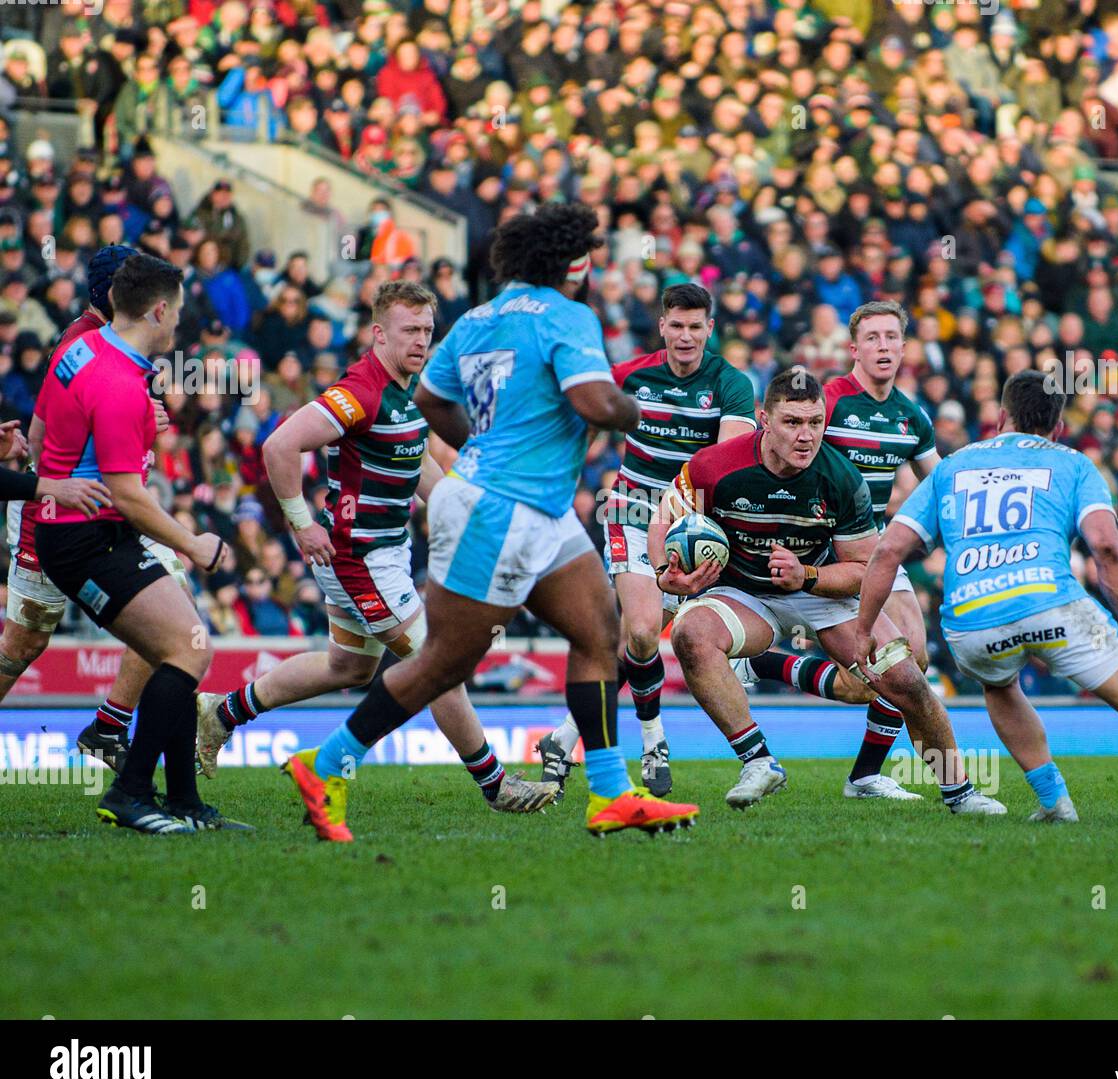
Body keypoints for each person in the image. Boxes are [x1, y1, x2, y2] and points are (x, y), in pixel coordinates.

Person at [282, 204, 700, 840]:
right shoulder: (567, 314)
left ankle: (611, 792)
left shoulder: (477, 319)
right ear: (574, 265)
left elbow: (428, 399)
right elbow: (594, 399)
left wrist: (487, 440)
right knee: (445, 662)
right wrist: (638, 414)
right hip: (501, 508)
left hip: (532, 507)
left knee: (598, 629)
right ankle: (328, 763)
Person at [194, 281, 555, 815]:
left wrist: (463, 511)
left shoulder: (408, 388)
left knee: (350, 668)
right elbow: (279, 444)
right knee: (439, 662)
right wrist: (299, 523)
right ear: (377, 333)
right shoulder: (359, 391)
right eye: (410, 330)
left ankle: (221, 714)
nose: (421, 341)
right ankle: (495, 784)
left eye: (428, 331)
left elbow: (417, 464)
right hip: (359, 556)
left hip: (382, 551)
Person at [851, 370, 1118, 827]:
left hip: (972, 620)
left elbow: (888, 550)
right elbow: (1107, 546)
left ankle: (1054, 802)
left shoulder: (953, 465)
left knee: (999, 685)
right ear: (1059, 426)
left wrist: (864, 629)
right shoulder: (1072, 463)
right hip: (1050, 603)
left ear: (1001, 417)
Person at [651, 369, 1004, 814]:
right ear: (764, 419)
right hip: (743, 592)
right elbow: (664, 516)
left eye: (815, 422)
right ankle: (758, 761)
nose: (806, 436)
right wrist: (666, 572)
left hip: (819, 589)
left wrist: (806, 577)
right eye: (792, 422)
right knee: (690, 634)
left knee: (906, 680)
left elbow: (863, 569)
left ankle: (960, 792)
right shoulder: (715, 466)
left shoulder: (840, 478)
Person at [34, 254, 245, 834]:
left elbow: (42, 430)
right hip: (86, 540)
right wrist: (195, 545)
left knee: (181, 643)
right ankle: (130, 792)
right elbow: (127, 495)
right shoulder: (123, 384)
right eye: (175, 311)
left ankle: (182, 800)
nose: (178, 323)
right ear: (158, 310)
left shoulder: (80, 349)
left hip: (81, 528)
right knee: (190, 648)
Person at [536, 282, 755, 799]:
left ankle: (562, 739)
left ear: (709, 329)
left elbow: (723, 463)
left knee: (632, 642)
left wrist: (683, 521)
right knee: (639, 633)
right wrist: (562, 482)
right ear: (662, 326)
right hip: (630, 511)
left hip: (689, 522)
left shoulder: (731, 384)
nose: (685, 336)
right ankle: (654, 737)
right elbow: (586, 419)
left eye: (695, 326)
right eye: (675, 325)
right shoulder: (632, 375)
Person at [735, 301, 943, 801]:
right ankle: (765, 667)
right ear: (854, 348)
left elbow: (943, 483)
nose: (883, 346)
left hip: (875, 551)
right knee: (878, 674)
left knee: (910, 660)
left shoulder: (909, 416)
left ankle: (863, 774)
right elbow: (769, 447)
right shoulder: (827, 402)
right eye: (872, 338)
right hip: (824, 552)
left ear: (904, 346)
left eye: (892, 337)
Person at [1, 245, 189, 777]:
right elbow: (53, 438)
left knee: (174, 619)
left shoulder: (122, 338)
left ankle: (108, 727)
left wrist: (146, 420)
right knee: (23, 645)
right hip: (62, 511)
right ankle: (111, 732)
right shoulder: (84, 343)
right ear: (116, 294)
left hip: (113, 512)